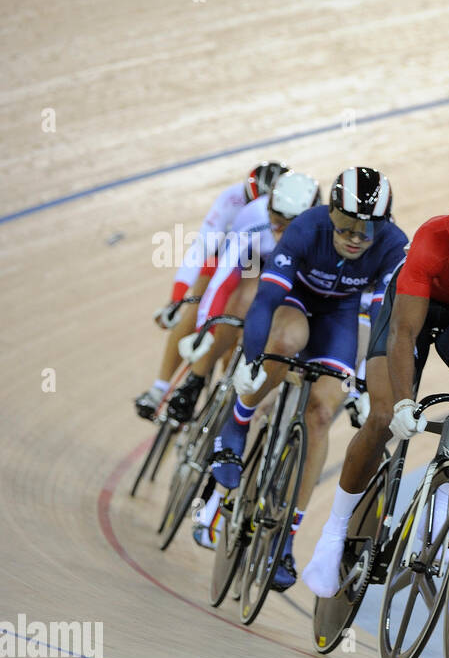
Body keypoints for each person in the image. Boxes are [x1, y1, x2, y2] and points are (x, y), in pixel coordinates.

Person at [302, 181, 449, 598]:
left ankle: (445, 488)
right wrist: (404, 403)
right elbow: (404, 332)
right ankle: (333, 532)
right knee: (381, 417)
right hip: (411, 306)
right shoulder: (434, 240)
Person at [208, 167, 408, 588]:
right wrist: (252, 360)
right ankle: (236, 426)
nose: (355, 237)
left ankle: (285, 540)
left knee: (321, 413)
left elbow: (382, 321)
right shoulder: (305, 228)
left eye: (367, 228)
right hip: (294, 302)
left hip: (339, 317)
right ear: (330, 212)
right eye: (346, 225)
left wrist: (367, 386)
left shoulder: (393, 247)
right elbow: (266, 298)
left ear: (384, 226)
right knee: (287, 340)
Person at [168, 170, 322, 423]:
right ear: (268, 208)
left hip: (294, 279)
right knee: (243, 297)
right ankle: (196, 379)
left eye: (289, 225)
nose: (280, 231)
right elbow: (223, 279)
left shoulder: (322, 233)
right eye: (276, 220)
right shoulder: (254, 216)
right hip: (254, 265)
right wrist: (205, 330)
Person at [134, 161, 286, 418]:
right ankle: (159, 388)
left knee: (247, 314)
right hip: (230, 252)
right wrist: (176, 299)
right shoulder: (231, 199)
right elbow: (201, 248)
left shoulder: (294, 213)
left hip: (266, 262)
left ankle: (224, 394)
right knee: (198, 304)